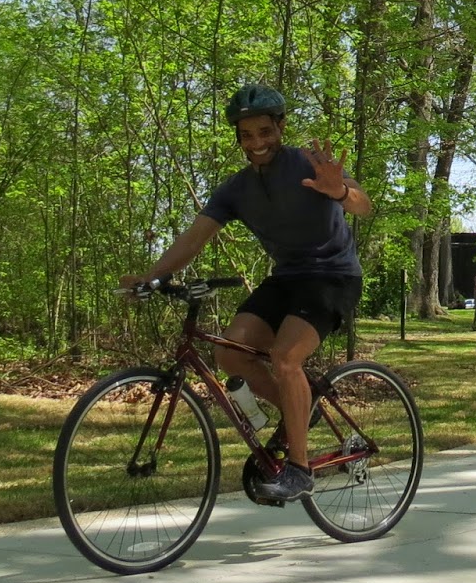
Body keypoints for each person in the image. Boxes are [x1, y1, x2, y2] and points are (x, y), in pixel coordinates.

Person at [120, 84, 372, 502]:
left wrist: (340, 191)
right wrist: (152, 276)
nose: (257, 143)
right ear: (239, 139)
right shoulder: (236, 188)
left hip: (333, 276)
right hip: (287, 278)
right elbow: (194, 238)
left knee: (286, 357)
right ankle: (300, 412)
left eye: (265, 132)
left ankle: (299, 468)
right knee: (230, 351)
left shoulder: (309, 164)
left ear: (280, 128)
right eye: (248, 135)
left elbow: (364, 205)